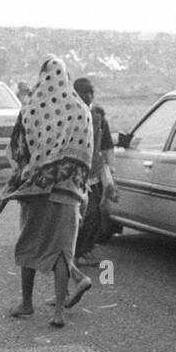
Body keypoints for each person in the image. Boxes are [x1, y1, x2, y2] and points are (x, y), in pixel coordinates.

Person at [0, 56, 94, 328]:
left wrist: (26, 175)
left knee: (29, 244)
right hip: (68, 191)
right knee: (62, 252)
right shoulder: (81, 110)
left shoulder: (31, 109)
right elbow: (86, 152)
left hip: (35, 189)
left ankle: (26, 303)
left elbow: (18, 150)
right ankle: (58, 311)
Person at [72, 77, 116, 265]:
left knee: (97, 214)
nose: (89, 96)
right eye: (84, 92)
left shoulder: (98, 117)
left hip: (94, 173)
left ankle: (85, 250)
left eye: (91, 92)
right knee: (84, 214)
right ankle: (76, 253)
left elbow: (106, 146)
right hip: (75, 173)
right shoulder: (70, 115)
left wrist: (110, 171)